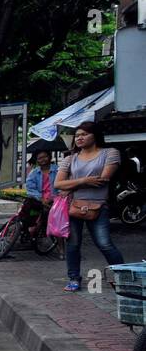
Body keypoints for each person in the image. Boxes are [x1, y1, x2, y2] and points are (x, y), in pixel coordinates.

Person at [55, 121, 124, 291]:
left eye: (84, 134)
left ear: (95, 135)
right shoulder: (70, 158)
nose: (79, 138)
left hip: (99, 206)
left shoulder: (110, 153)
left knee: (105, 243)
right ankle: (73, 278)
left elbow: (103, 180)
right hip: (74, 207)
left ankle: (124, 277)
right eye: (77, 135)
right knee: (73, 244)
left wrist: (70, 184)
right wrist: (84, 180)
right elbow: (58, 184)